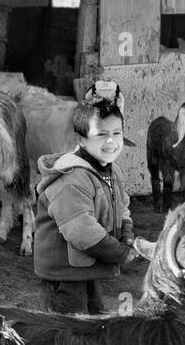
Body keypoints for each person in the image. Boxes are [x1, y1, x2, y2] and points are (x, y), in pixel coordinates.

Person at [33, 96, 134, 313]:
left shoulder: (111, 170)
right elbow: (81, 231)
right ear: (81, 140)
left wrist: (127, 232)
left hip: (86, 267)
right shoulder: (71, 177)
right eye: (101, 135)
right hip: (64, 273)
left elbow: (122, 204)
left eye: (117, 133)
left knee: (95, 326)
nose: (111, 141)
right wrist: (120, 252)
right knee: (67, 333)